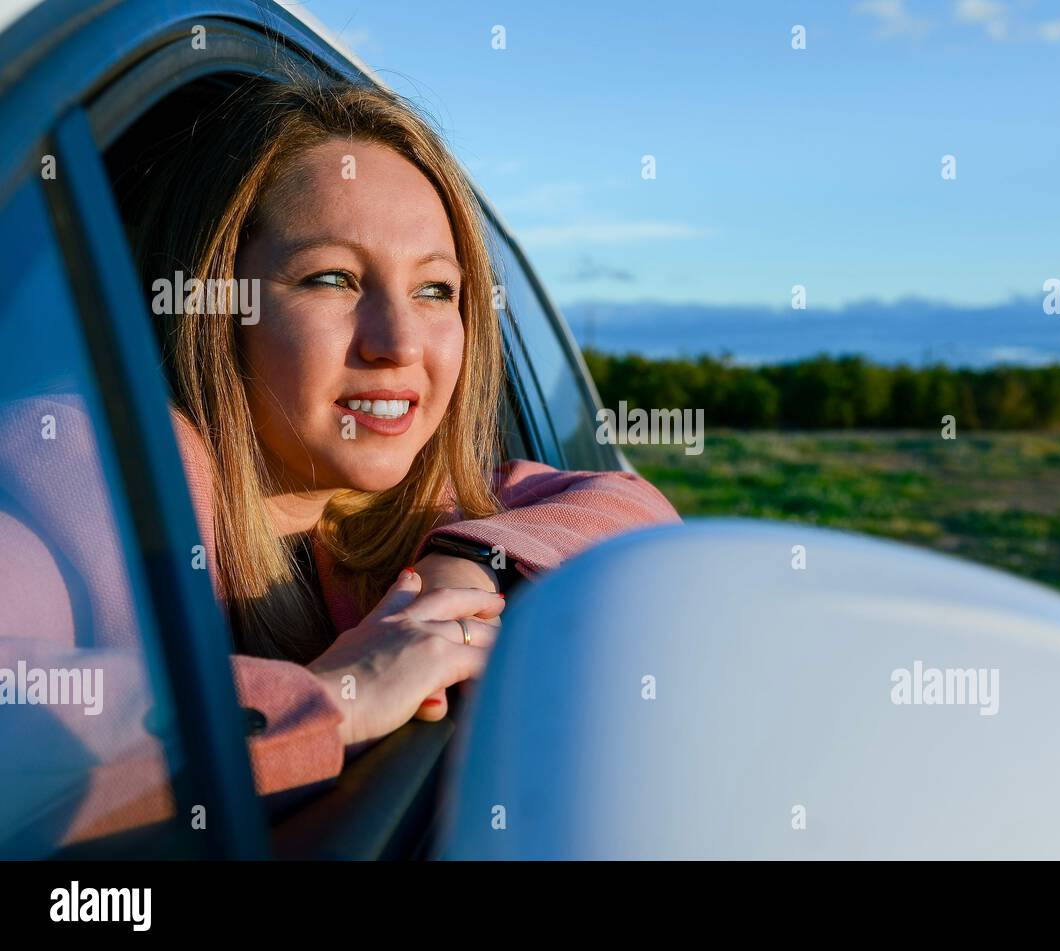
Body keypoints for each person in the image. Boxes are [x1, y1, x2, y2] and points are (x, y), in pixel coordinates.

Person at [0, 74, 679, 849]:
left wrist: (468, 569)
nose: (397, 340)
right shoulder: (90, 473)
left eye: (434, 290)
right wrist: (331, 699)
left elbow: (634, 511)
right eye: (333, 279)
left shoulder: (438, 506)